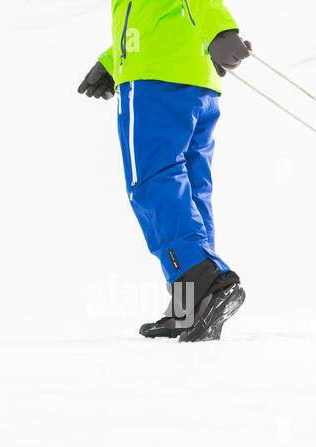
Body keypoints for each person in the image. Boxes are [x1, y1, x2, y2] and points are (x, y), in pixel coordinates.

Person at [77, 1, 254, 342]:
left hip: (154, 81)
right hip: (195, 77)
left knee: (151, 180)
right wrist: (113, 61)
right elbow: (160, 15)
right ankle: (192, 306)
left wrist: (220, 29)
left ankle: (202, 280)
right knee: (188, 189)